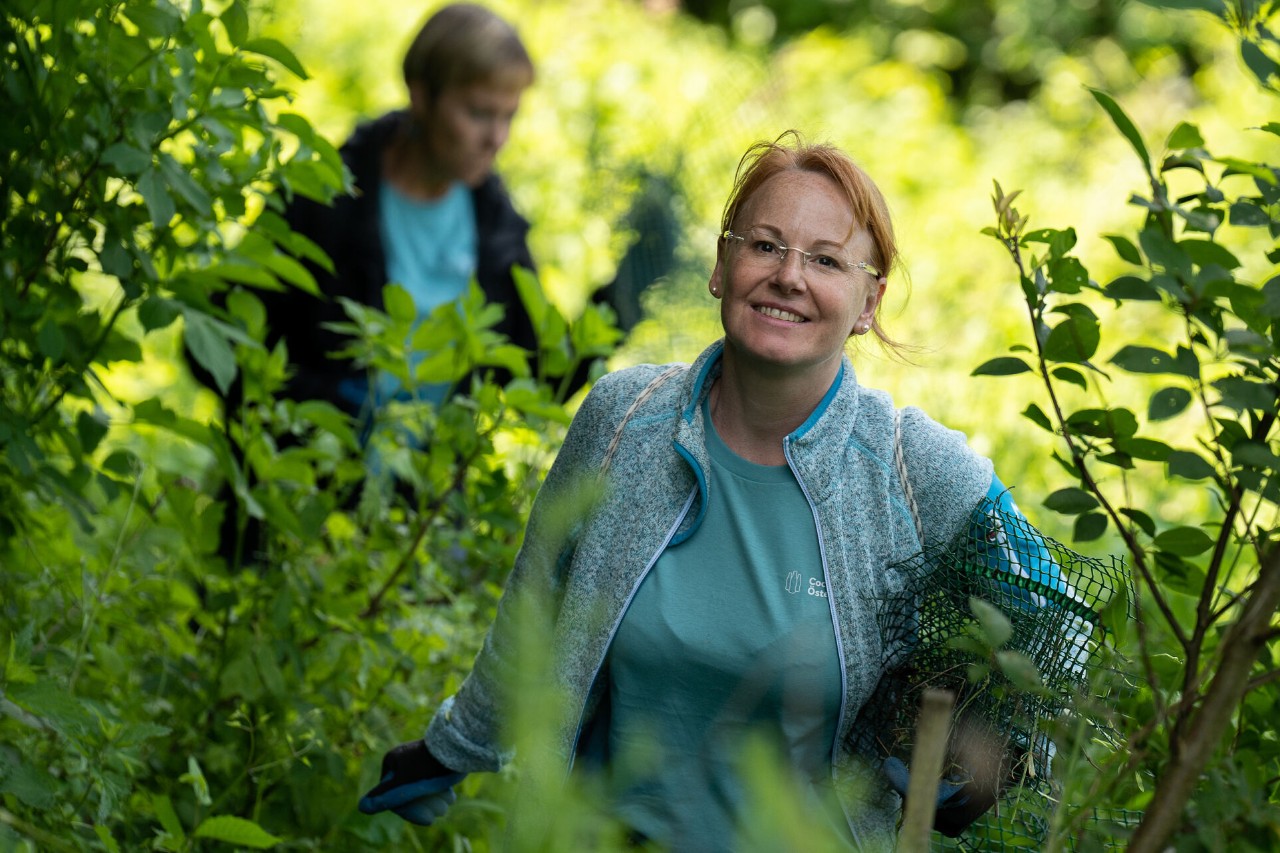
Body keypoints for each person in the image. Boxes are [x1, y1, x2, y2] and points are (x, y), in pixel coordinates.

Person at [358, 132, 1067, 849]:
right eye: (764, 245)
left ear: (867, 301)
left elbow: (1060, 622)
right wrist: (455, 746)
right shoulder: (625, 419)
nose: (788, 275)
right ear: (721, 266)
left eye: (825, 260)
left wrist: (994, 752)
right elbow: (534, 613)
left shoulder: (915, 470)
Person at [270, 2, 544, 418]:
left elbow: (534, 371)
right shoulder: (326, 197)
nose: (497, 138)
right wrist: (328, 410)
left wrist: (621, 297)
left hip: (433, 479)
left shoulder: (494, 222)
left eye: (509, 116)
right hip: (312, 473)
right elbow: (228, 340)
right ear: (421, 95)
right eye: (479, 113)